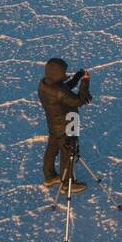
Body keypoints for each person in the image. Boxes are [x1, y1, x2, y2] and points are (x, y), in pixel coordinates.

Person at [37, 57, 91, 192]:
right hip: (65, 127)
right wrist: (84, 82)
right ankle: (67, 184)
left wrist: (77, 78)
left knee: (51, 149)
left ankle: (49, 177)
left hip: (54, 124)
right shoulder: (59, 91)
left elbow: (64, 89)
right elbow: (79, 101)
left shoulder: (44, 84)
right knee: (67, 154)